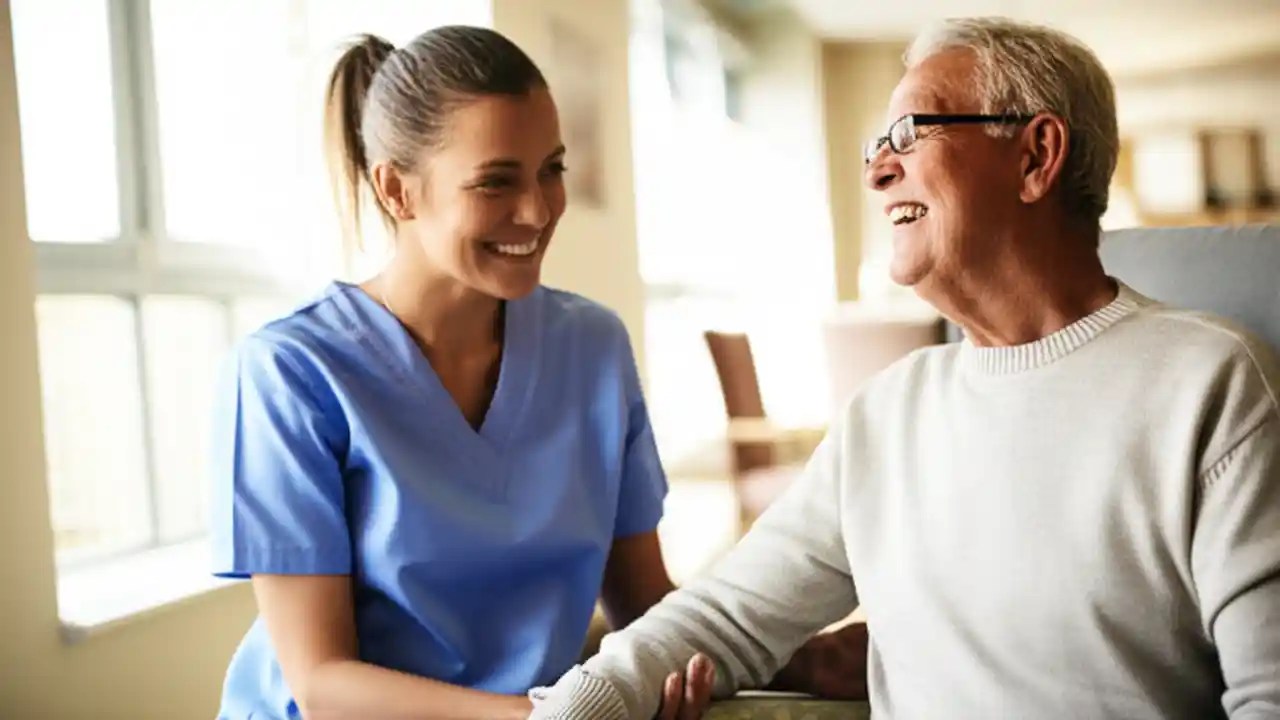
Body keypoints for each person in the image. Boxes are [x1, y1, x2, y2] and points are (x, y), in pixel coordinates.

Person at [529, 17, 1280, 720]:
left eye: (911, 133)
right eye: (875, 146)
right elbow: (723, 618)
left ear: (1036, 156)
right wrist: (576, 706)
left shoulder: (1210, 381)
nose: (877, 171)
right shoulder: (887, 412)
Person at [210, 25, 857, 720]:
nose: (538, 210)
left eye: (552, 170)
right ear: (397, 190)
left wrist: (804, 660)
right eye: (496, 182)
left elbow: (642, 602)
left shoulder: (592, 347)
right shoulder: (291, 371)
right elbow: (322, 683)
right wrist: (557, 715)